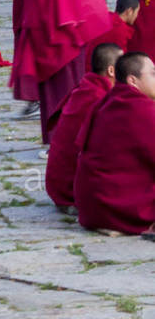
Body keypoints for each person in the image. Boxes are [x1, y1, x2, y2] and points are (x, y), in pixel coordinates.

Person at [12, 0, 111, 143]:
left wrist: (34, 38)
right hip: (80, 25)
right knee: (76, 85)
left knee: (58, 91)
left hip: (59, 35)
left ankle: (60, 140)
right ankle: (78, 137)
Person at [74, 53, 155, 235]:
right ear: (133, 81)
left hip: (91, 208)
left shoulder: (105, 101)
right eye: (153, 73)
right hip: (119, 208)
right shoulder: (142, 109)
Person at [45, 41, 119, 211]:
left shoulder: (87, 87)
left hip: (58, 185)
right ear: (111, 71)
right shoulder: (97, 97)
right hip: (69, 189)